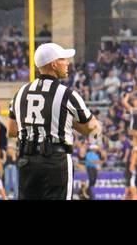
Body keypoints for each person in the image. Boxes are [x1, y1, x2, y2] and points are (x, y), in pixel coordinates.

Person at [8, 42, 100, 200]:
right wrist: (69, 124)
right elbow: (93, 128)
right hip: (56, 161)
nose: (68, 63)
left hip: (27, 160)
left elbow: (11, 130)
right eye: (64, 59)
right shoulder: (67, 94)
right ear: (54, 64)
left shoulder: (20, 93)